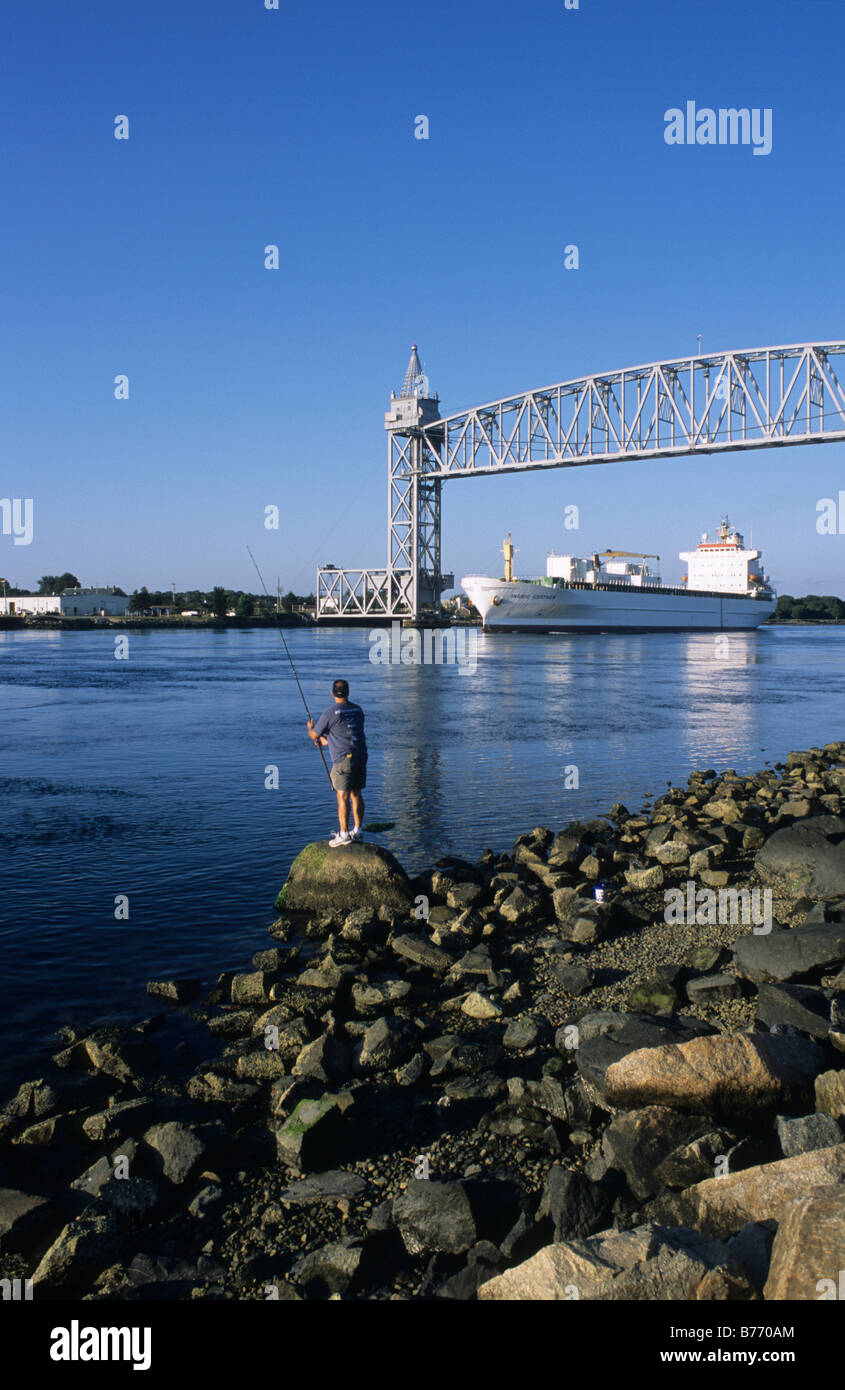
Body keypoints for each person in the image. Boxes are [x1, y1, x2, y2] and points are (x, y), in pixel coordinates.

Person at [307, 678, 367, 847]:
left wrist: (310, 728)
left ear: (332, 693)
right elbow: (346, 732)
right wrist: (328, 741)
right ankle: (358, 831)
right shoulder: (358, 710)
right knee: (356, 794)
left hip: (343, 760)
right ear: (348, 692)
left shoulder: (329, 713)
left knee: (342, 795)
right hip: (360, 756)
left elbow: (314, 735)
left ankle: (343, 834)